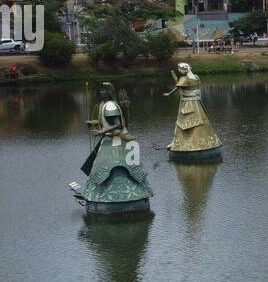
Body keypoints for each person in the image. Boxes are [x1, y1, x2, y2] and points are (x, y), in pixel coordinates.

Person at [79, 82, 152, 213]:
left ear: (107, 92)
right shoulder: (103, 105)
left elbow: (117, 124)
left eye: (101, 91)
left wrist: (102, 132)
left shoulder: (110, 106)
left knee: (112, 166)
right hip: (108, 140)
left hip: (116, 141)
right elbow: (105, 122)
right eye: (98, 91)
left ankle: (121, 198)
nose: (98, 93)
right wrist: (94, 123)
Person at [163, 62, 222, 160]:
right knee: (200, 120)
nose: (180, 71)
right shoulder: (196, 77)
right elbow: (192, 87)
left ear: (183, 70)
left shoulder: (184, 79)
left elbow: (178, 88)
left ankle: (185, 145)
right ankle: (207, 144)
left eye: (180, 70)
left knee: (186, 123)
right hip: (196, 102)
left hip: (188, 103)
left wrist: (169, 94)